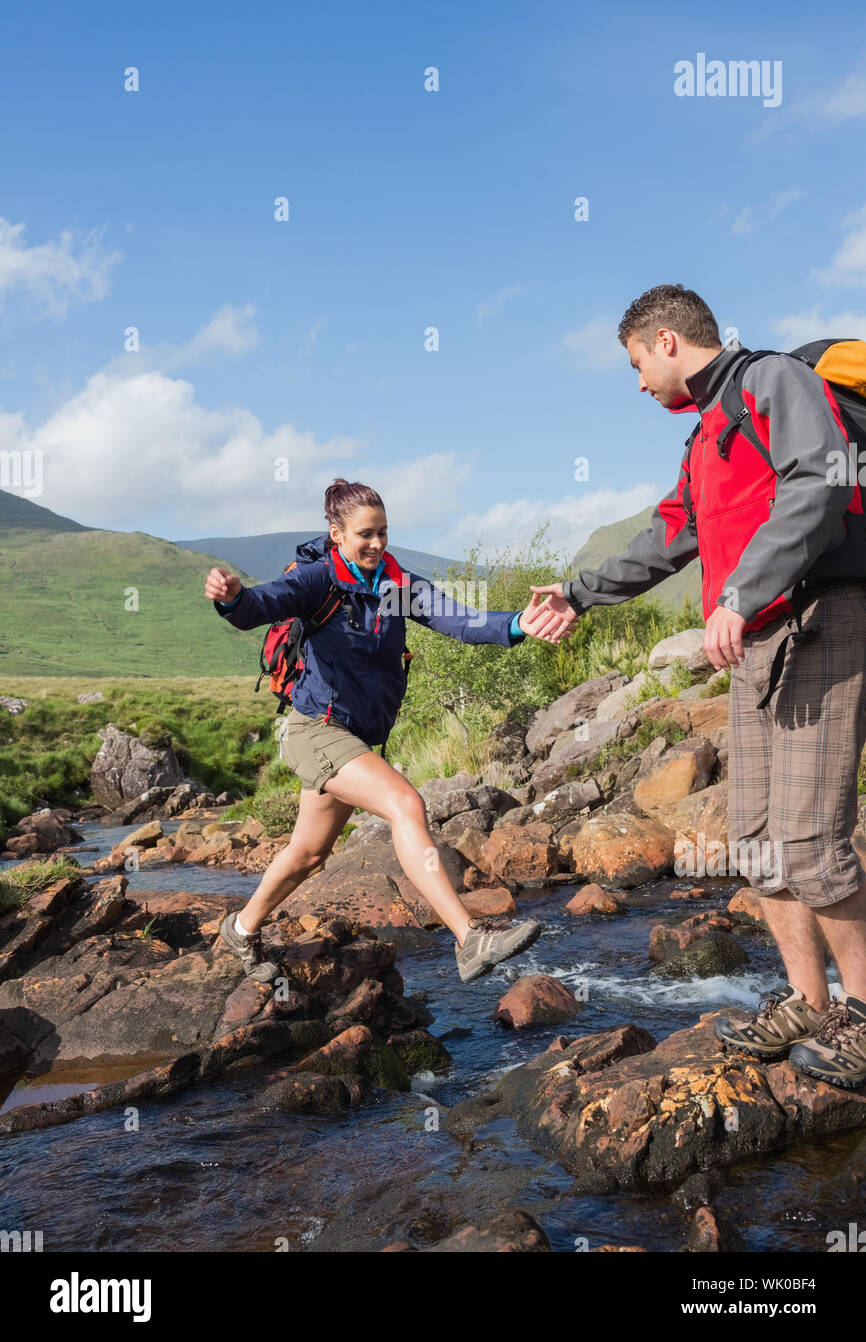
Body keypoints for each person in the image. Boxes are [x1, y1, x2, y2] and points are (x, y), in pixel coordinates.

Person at [529, 283, 866, 1090]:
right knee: (755, 839)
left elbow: (819, 485)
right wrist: (576, 593)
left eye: (637, 362)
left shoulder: (772, 381)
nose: (638, 381)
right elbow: (667, 536)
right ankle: (808, 1004)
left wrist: (742, 592)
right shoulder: (707, 434)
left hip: (819, 620)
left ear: (668, 341)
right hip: (750, 644)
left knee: (814, 842)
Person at [205, 477, 570, 985]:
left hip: (356, 739)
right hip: (316, 729)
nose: (376, 544)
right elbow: (261, 606)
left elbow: (461, 621)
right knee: (406, 804)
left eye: (383, 532)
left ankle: (241, 929)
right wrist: (233, 596)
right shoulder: (318, 581)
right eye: (364, 535)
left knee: (308, 856)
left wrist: (517, 625)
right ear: (336, 533)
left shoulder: (398, 587)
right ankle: (470, 940)